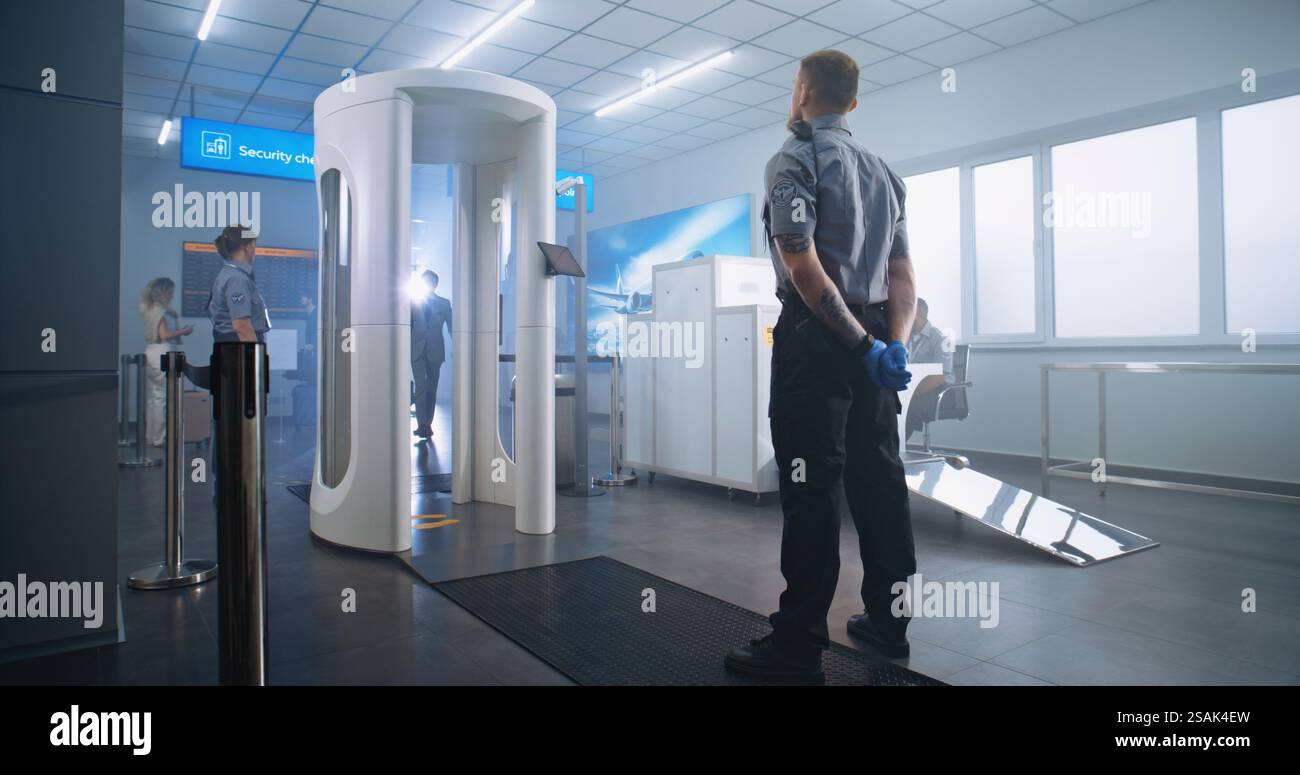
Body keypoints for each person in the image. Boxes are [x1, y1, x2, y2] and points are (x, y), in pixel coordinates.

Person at [725, 49, 918, 682]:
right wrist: (892, 345)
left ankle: (798, 644)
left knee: (811, 490)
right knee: (880, 484)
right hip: (875, 339)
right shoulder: (886, 173)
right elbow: (901, 274)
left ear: (803, 90)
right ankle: (889, 624)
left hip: (818, 340)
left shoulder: (795, 159)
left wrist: (859, 348)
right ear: (853, 103)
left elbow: (802, 264)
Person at [206, 225, 269, 500]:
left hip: (231, 353)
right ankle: (236, 482)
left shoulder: (233, 276)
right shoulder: (237, 279)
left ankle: (231, 479)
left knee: (229, 418)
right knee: (239, 418)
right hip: (238, 356)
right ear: (246, 247)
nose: (256, 249)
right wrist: (257, 360)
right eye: (253, 243)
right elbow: (242, 325)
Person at [138, 277, 192, 446]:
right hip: (163, 351)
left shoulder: (149, 308)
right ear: (161, 293)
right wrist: (183, 331)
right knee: (162, 398)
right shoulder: (161, 311)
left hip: (151, 352)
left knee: (154, 398)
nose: (172, 296)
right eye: (169, 293)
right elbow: (165, 335)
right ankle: (160, 437)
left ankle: (152, 436)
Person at [904, 298, 955, 439]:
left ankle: (895, 453)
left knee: (910, 408)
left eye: (907, 312)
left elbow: (939, 377)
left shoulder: (943, 339)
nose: (903, 316)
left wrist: (910, 394)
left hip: (939, 391)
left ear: (918, 315)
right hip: (912, 388)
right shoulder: (905, 336)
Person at [410, 270, 452, 440]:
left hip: (436, 350)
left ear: (435, 284)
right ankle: (422, 425)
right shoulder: (412, 302)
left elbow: (452, 327)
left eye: (430, 282)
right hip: (416, 349)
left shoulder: (444, 303)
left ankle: (428, 423)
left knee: (431, 388)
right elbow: (406, 325)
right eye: (424, 281)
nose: (427, 284)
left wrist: (459, 347)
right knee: (420, 385)